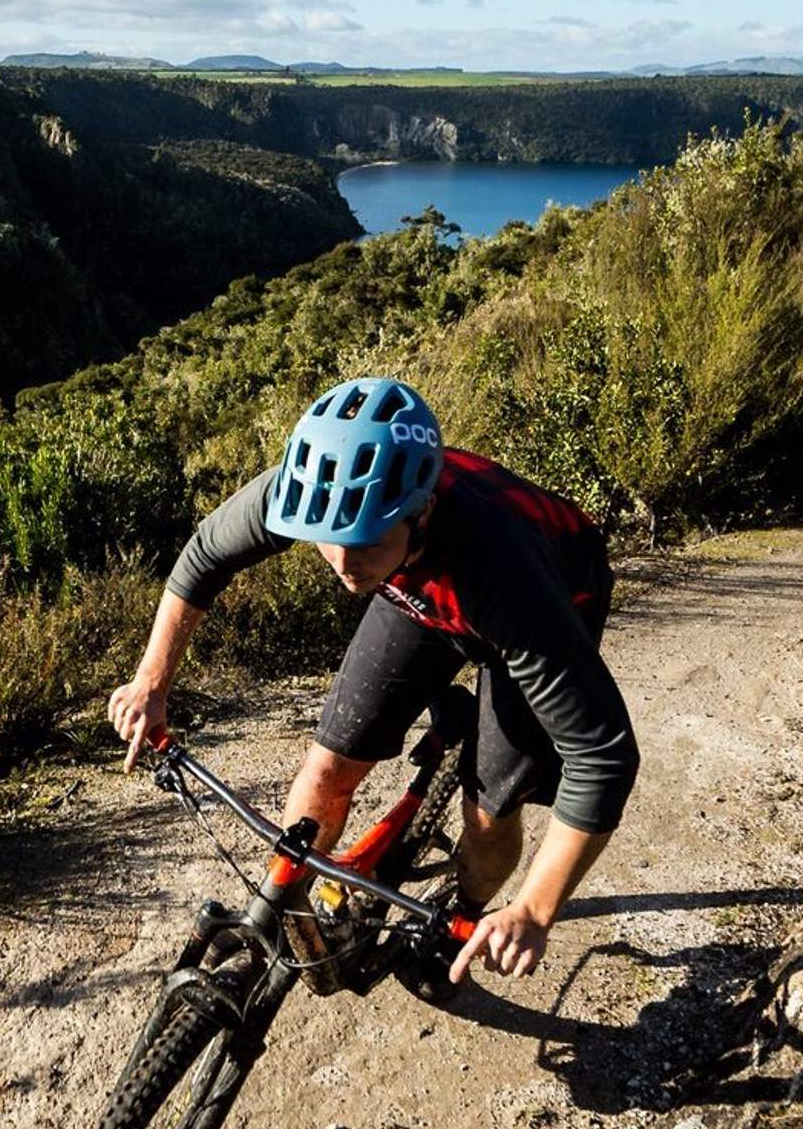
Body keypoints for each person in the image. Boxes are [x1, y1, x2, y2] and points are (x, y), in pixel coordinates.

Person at [107, 378, 637, 988]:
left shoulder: (505, 574)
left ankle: (460, 916)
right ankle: (287, 911)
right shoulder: (321, 494)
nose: (341, 562)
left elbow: (602, 755)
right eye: (327, 539)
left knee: (489, 812)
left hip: (539, 600)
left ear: (422, 511)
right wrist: (150, 683)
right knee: (325, 771)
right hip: (418, 588)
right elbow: (205, 555)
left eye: (363, 540)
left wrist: (535, 911)